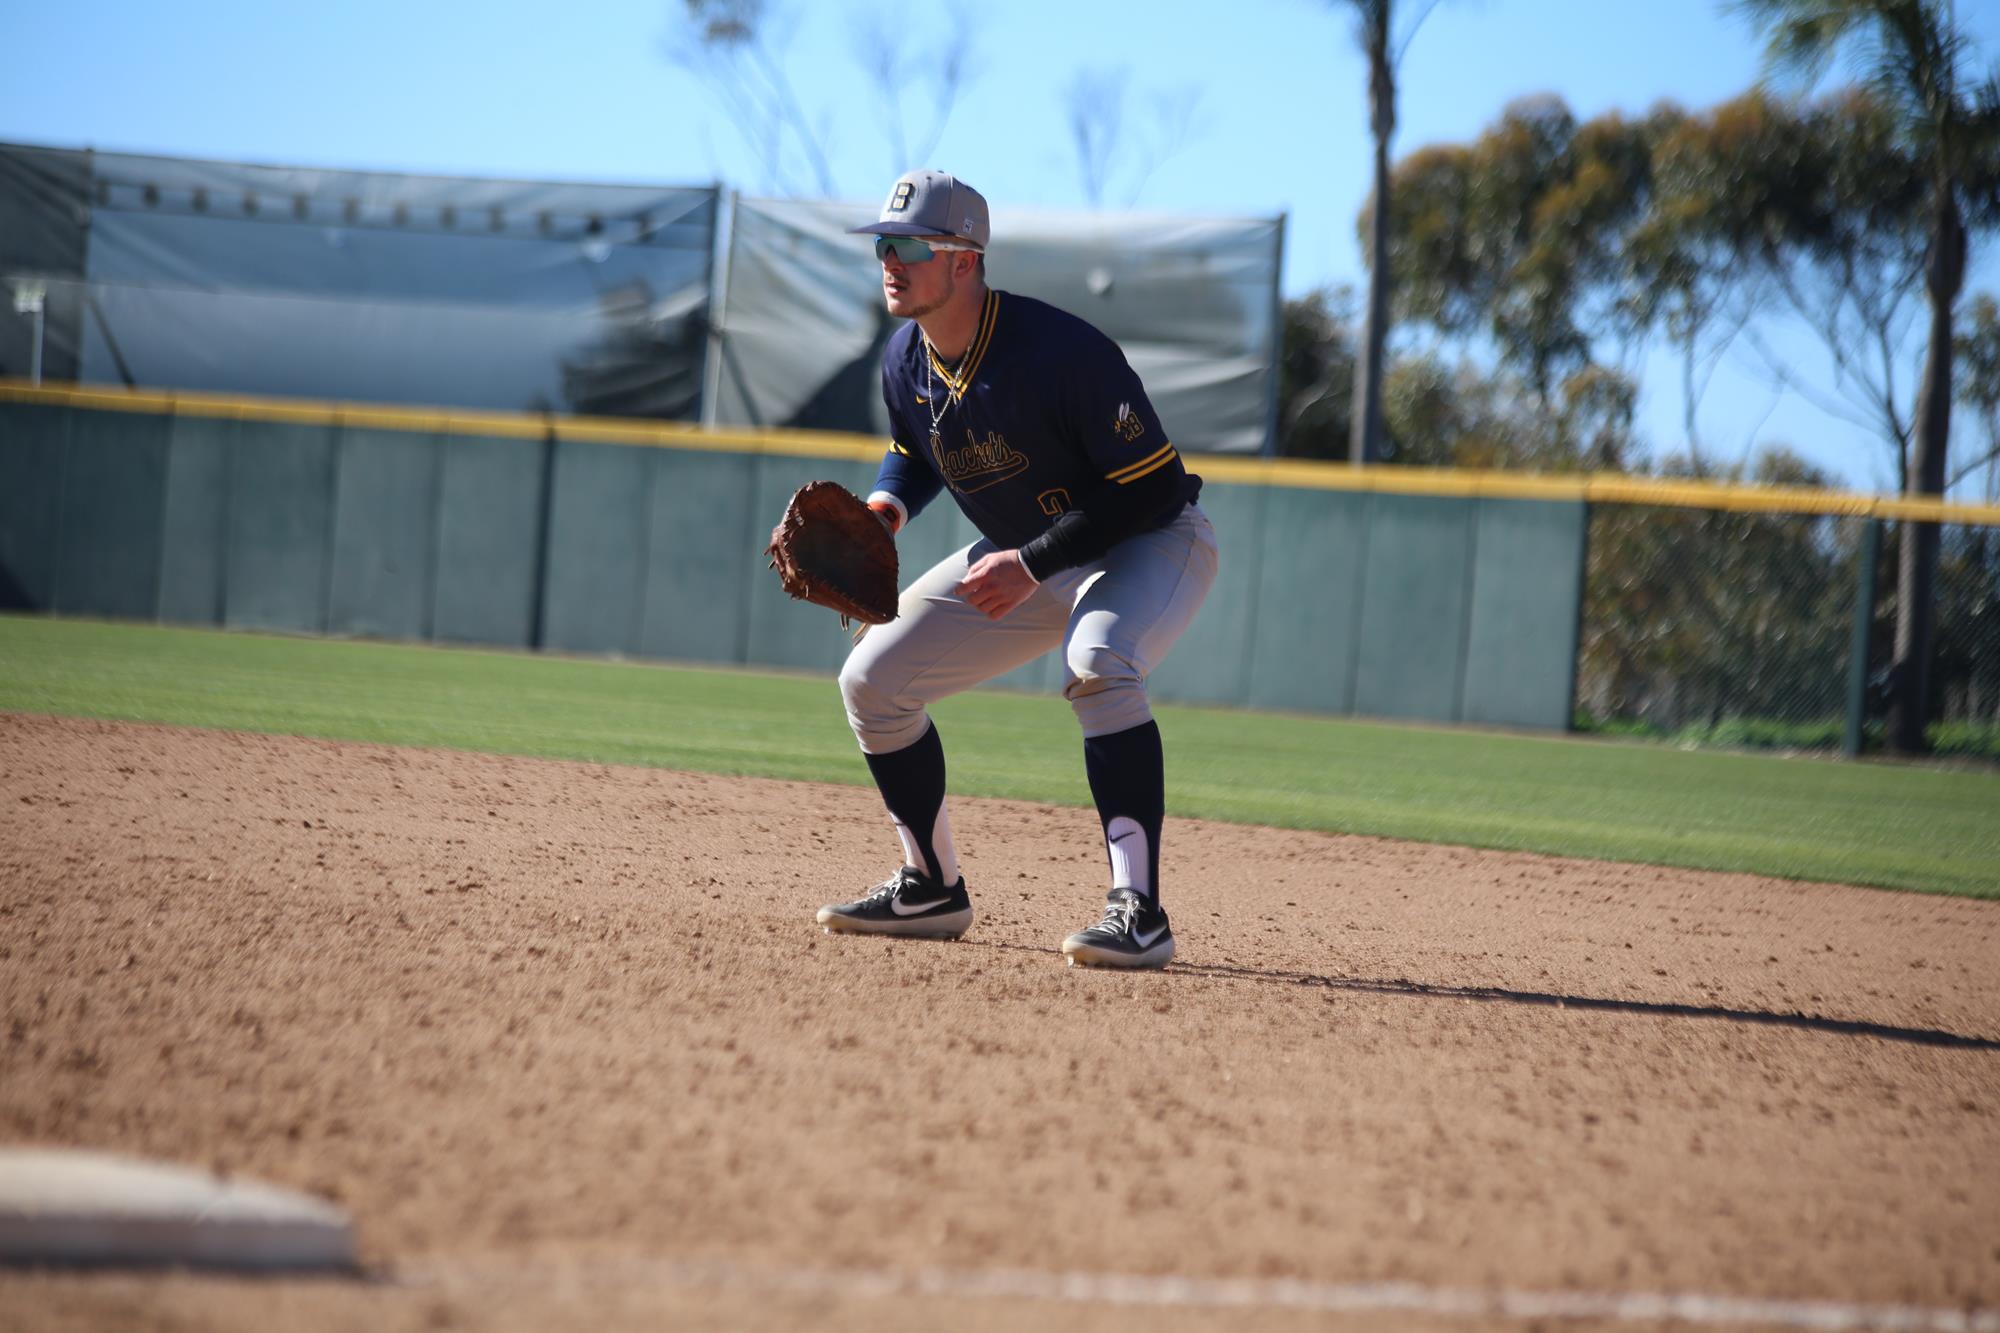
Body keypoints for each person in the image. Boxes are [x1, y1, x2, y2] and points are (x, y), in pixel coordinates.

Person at [815, 169, 1219, 969]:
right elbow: (912, 451)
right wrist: (886, 509)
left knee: (1097, 662)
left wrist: (1032, 563)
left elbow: (1152, 488)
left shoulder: (1060, 353)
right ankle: (931, 885)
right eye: (881, 247)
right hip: (1025, 559)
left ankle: (1139, 910)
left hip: (1149, 540)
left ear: (965, 260)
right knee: (871, 682)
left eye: (906, 247)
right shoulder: (905, 359)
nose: (888, 261)